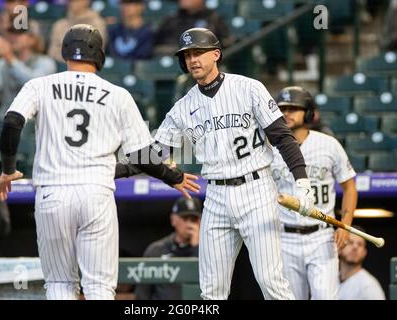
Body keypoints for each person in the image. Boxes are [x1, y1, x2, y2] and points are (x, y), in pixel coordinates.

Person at [0, 24, 200, 300]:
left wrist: (8, 170)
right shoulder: (118, 95)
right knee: (100, 287)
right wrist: (173, 177)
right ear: (99, 54)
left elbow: (11, 122)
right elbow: (142, 156)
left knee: (59, 284)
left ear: (65, 51)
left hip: (52, 193)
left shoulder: (40, 84)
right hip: (96, 193)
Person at [117, 28, 315, 300]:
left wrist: (302, 181)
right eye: (187, 55)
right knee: (211, 291)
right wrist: (111, 170)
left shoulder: (248, 88)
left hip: (256, 189)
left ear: (216, 54)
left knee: (271, 282)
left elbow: (282, 136)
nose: (192, 60)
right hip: (217, 196)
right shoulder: (182, 108)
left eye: (198, 52)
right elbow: (153, 154)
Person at [271, 86, 358, 300]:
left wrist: (345, 224)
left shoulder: (328, 144)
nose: (286, 113)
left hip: (321, 236)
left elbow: (349, 186)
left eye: (293, 108)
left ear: (308, 112)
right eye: (282, 108)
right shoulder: (268, 148)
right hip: (284, 237)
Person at [135, 196, 201, 300]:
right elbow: (142, 294)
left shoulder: (207, 252)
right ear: (173, 220)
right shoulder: (156, 250)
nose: (189, 224)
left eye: (193, 220)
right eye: (185, 218)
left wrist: (197, 248)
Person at [0, 27, 56, 119]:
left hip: (33, 123)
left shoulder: (45, 62)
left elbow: (34, 86)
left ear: (32, 39)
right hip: (6, 120)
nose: (13, 37)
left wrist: (10, 59)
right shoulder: (2, 64)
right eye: (11, 33)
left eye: (19, 33)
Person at [153, 0, 233, 55]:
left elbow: (225, 46)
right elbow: (155, 46)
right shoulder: (171, 20)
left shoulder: (213, 19)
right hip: (173, 63)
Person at [338, 228, 386, 300]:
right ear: (339, 247)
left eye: (360, 244)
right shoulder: (329, 278)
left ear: (364, 253)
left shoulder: (369, 286)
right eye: (350, 242)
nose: (355, 247)